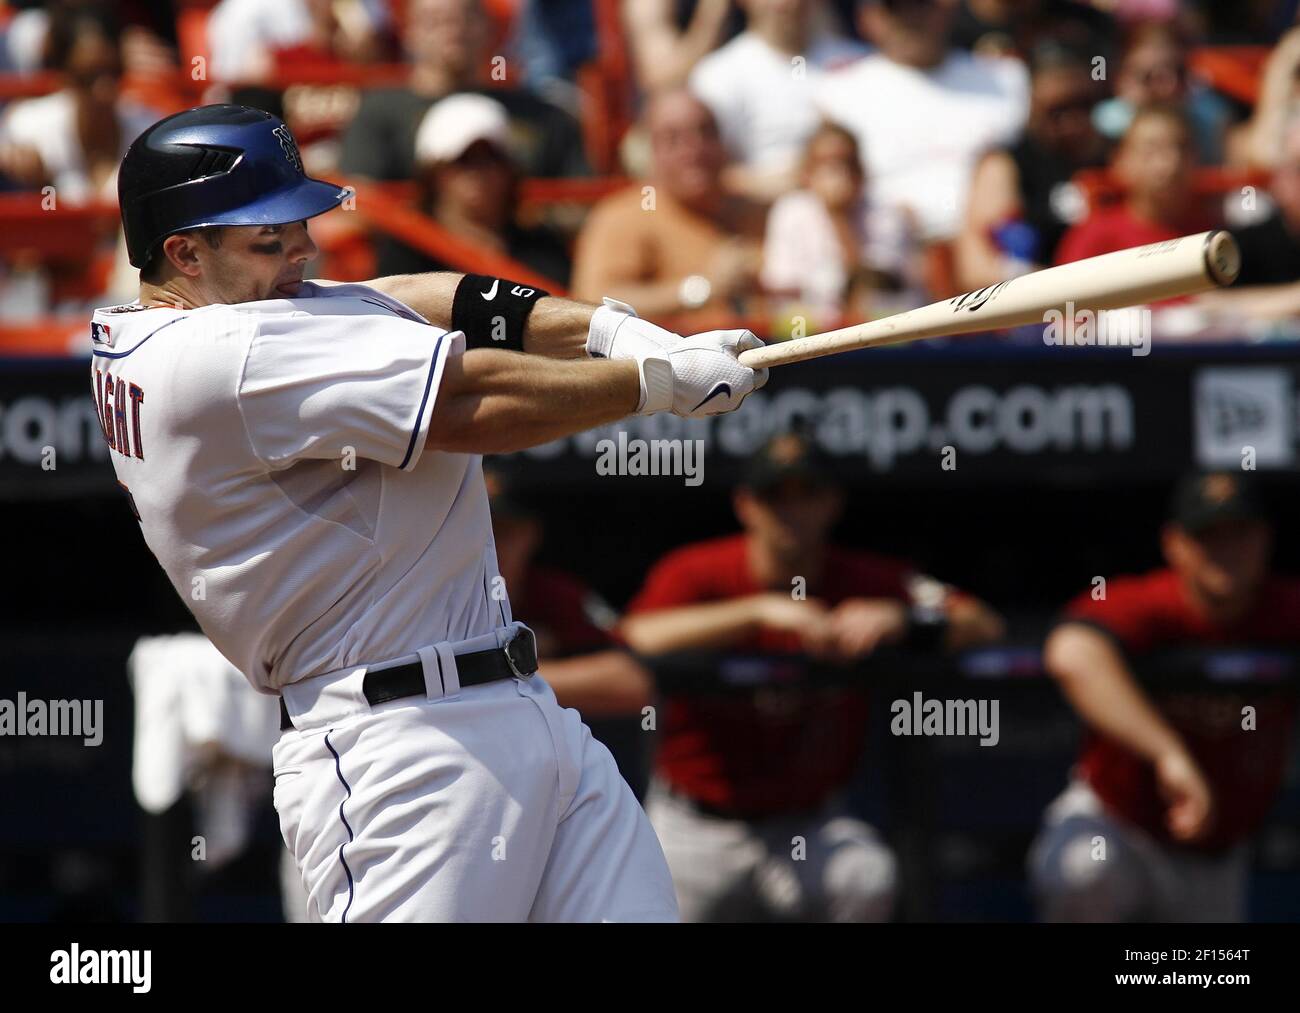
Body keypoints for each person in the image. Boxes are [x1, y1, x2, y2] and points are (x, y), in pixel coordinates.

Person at [92, 103, 768, 922]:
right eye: (269, 238)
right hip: (401, 754)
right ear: (184, 253)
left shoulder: (212, 317)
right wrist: (655, 385)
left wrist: (612, 331)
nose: (302, 249)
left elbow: (421, 295)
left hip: (521, 709)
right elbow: (468, 400)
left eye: (298, 224)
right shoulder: (215, 358)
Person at [619, 433, 1006, 921]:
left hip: (807, 822)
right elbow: (634, 634)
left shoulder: (864, 579)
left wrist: (902, 619)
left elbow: (983, 622)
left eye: (808, 494)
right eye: (775, 496)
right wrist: (759, 613)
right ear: (746, 505)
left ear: (832, 502)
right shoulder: (700, 571)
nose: (792, 509)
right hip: (698, 823)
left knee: (866, 878)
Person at [1030, 472, 1300, 922]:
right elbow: (1071, 653)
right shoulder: (1152, 601)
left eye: (1240, 534)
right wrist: (1169, 754)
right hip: (1119, 825)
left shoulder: (1284, 609)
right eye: (1208, 537)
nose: (1227, 551)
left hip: (1215, 849)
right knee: (1082, 871)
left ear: (1266, 539)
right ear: (1174, 544)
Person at [484, 466, 656, 795]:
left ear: (530, 534)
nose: (488, 544)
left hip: (550, 779)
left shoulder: (554, 594)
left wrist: (503, 669)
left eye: (501, 530)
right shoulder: (427, 596)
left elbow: (632, 683)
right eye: (477, 529)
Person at [817, 0, 1029, 242]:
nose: (912, 20)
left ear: (947, 9)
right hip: (888, 252)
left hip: (993, 249)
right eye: (896, 9)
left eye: (922, 6)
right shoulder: (838, 93)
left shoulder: (1006, 78)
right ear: (869, 17)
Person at [337, 0, 588, 182]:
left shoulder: (544, 117)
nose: (453, 30)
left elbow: (579, 203)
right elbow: (358, 202)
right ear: (410, 33)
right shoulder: (378, 113)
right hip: (412, 251)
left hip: (523, 252)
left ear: (489, 29)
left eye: (467, 17)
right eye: (435, 21)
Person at [572, 89, 765, 318]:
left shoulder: (755, 208)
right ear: (651, 150)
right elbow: (594, 302)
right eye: (673, 139)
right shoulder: (624, 216)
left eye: (706, 132)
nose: (694, 149)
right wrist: (702, 289)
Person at [373, 94, 571, 287]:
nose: (478, 172)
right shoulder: (407, 251)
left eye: (491, 158)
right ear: (433, 173)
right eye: (463, 159)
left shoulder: (543, 248)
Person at [956, 43, 1106, 290]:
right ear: (1033, 103)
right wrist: (1068, 287)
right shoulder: (1005, 166)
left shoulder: (1116, 155)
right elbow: (977, 269)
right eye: (1058, 110)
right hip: (1042, 310)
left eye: (1083, 105)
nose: (1073, 121)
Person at [688, 0, 866, 202]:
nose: (788, 4)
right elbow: (706, 175)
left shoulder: (860, 63)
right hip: (762, 218)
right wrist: (799, 181)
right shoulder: (717, 76)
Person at [760, 123, 917, 328]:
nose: (837, 175)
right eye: (825, 165)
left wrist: (837, 217)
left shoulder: (886, 214)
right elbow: (781, 289)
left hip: (875, 334)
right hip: (806, 334)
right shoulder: (790, 211)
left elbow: (874, 295)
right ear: (806, 173)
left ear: (861, 171)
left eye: (846, 163)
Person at [0, 4, 155, 201]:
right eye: (88, 77)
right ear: (63, 77)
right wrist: (18, 172)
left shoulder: (147, 134)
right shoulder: (27, 129)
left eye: (113, 72)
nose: (104, 89)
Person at [1053, 104, 1209, 265]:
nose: (1170, 163)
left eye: (1181, 148)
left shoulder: (1207, 232)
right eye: (1151, 150)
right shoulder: (1095, 234)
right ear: (1121, 161)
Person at [1091, 20, 1232, 166]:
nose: (1169, 86)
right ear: (1121, 80)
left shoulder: (1210, 118)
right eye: (1148, 76)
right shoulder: (1099, 125)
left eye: (1178, 73)